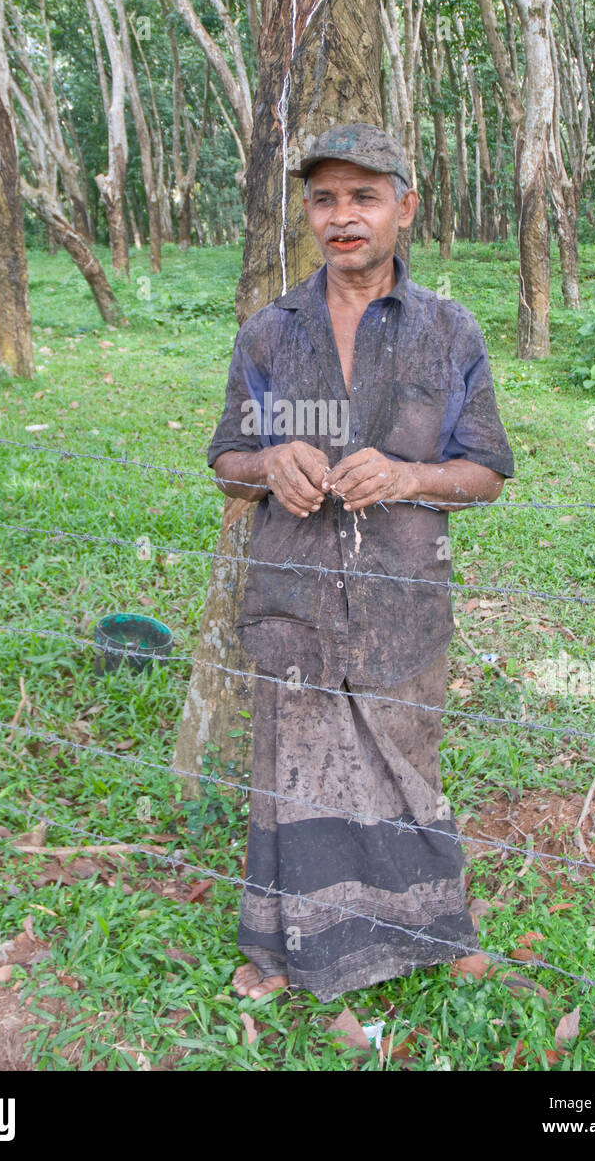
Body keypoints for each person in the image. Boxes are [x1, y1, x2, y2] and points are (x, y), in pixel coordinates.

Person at [206, 122, 515, 1003]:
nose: (343, 217)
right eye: (324, 199)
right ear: (308, 213)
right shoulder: (270, 333)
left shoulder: (449, 332)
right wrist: (270, 465)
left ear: (403, 210)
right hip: (293, 596)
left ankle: (430, 930)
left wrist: (409, 474)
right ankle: (278, 951)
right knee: (292, 779)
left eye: (363, 197)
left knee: (403, 767)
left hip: (401, 597)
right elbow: (226, 458)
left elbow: (486, 471)